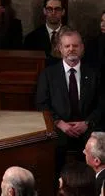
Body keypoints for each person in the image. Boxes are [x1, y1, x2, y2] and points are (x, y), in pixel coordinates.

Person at [36, 29, 101, 175]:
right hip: (58, 126)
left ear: (82, 48)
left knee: (96, 146)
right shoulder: (48, 74)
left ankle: (92, 184)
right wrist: (59, 123)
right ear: (60, 48)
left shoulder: (94, 73)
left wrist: (87, 122)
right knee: (52, 146)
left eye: (75, 45)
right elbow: (41, 104)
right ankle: (57, 184)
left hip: (87, 126)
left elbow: (102, 104)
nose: (71, 49)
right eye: (67, 46)